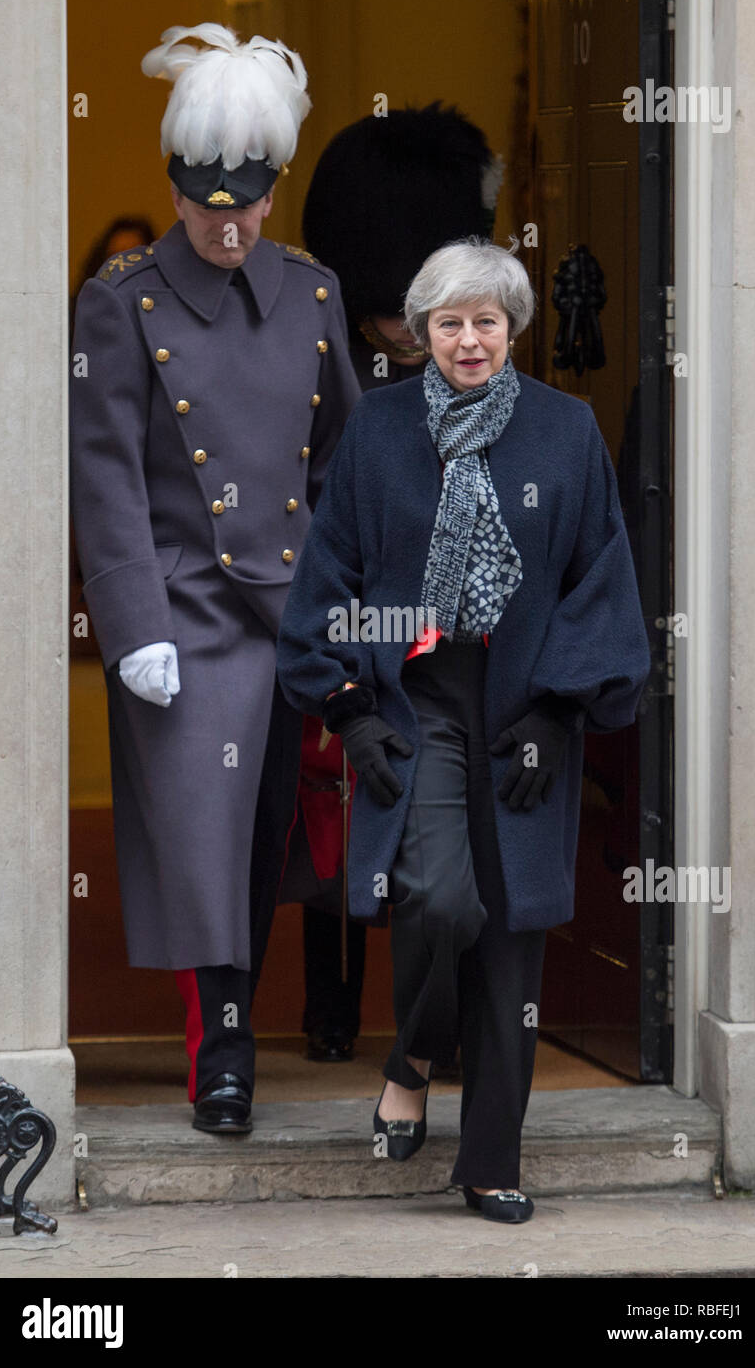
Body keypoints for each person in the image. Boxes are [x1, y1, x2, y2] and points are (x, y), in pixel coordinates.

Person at [276, 238, 651, 1221]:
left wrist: (559, 711)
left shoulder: (565, 433)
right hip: (417, 698)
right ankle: (410, 1055)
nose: (469, 339)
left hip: (525, 696)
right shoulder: (380, 430)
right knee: (441, 902)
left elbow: (598, 580)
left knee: (510, 938)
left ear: (512, 328)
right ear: (420, 334)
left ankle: (492, 1163)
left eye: (487, 320)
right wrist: (349, 709)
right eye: (449, 322)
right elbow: (329, 580)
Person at [69, 23, 360, 1134]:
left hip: (291, 608)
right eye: (204, 201)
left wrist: (344, 590)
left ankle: (246, 1019)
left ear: (273, 188)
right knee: (200, 829)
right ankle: (221, 1051)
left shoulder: (316, 294)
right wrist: (130, 615)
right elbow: (104, 478)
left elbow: (340, 453)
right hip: (185, 610)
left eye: (245, 200)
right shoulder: (121, 299)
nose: (226, 222)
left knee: (268, 829)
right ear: (175, 186)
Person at [288, 104, 502, 1064]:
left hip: (444, 633)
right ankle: (329, 1001)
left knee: (443, 841)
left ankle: (435, 1028)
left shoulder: (466, 358)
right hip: (348, 608)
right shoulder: (334, 353)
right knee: (325, 804)